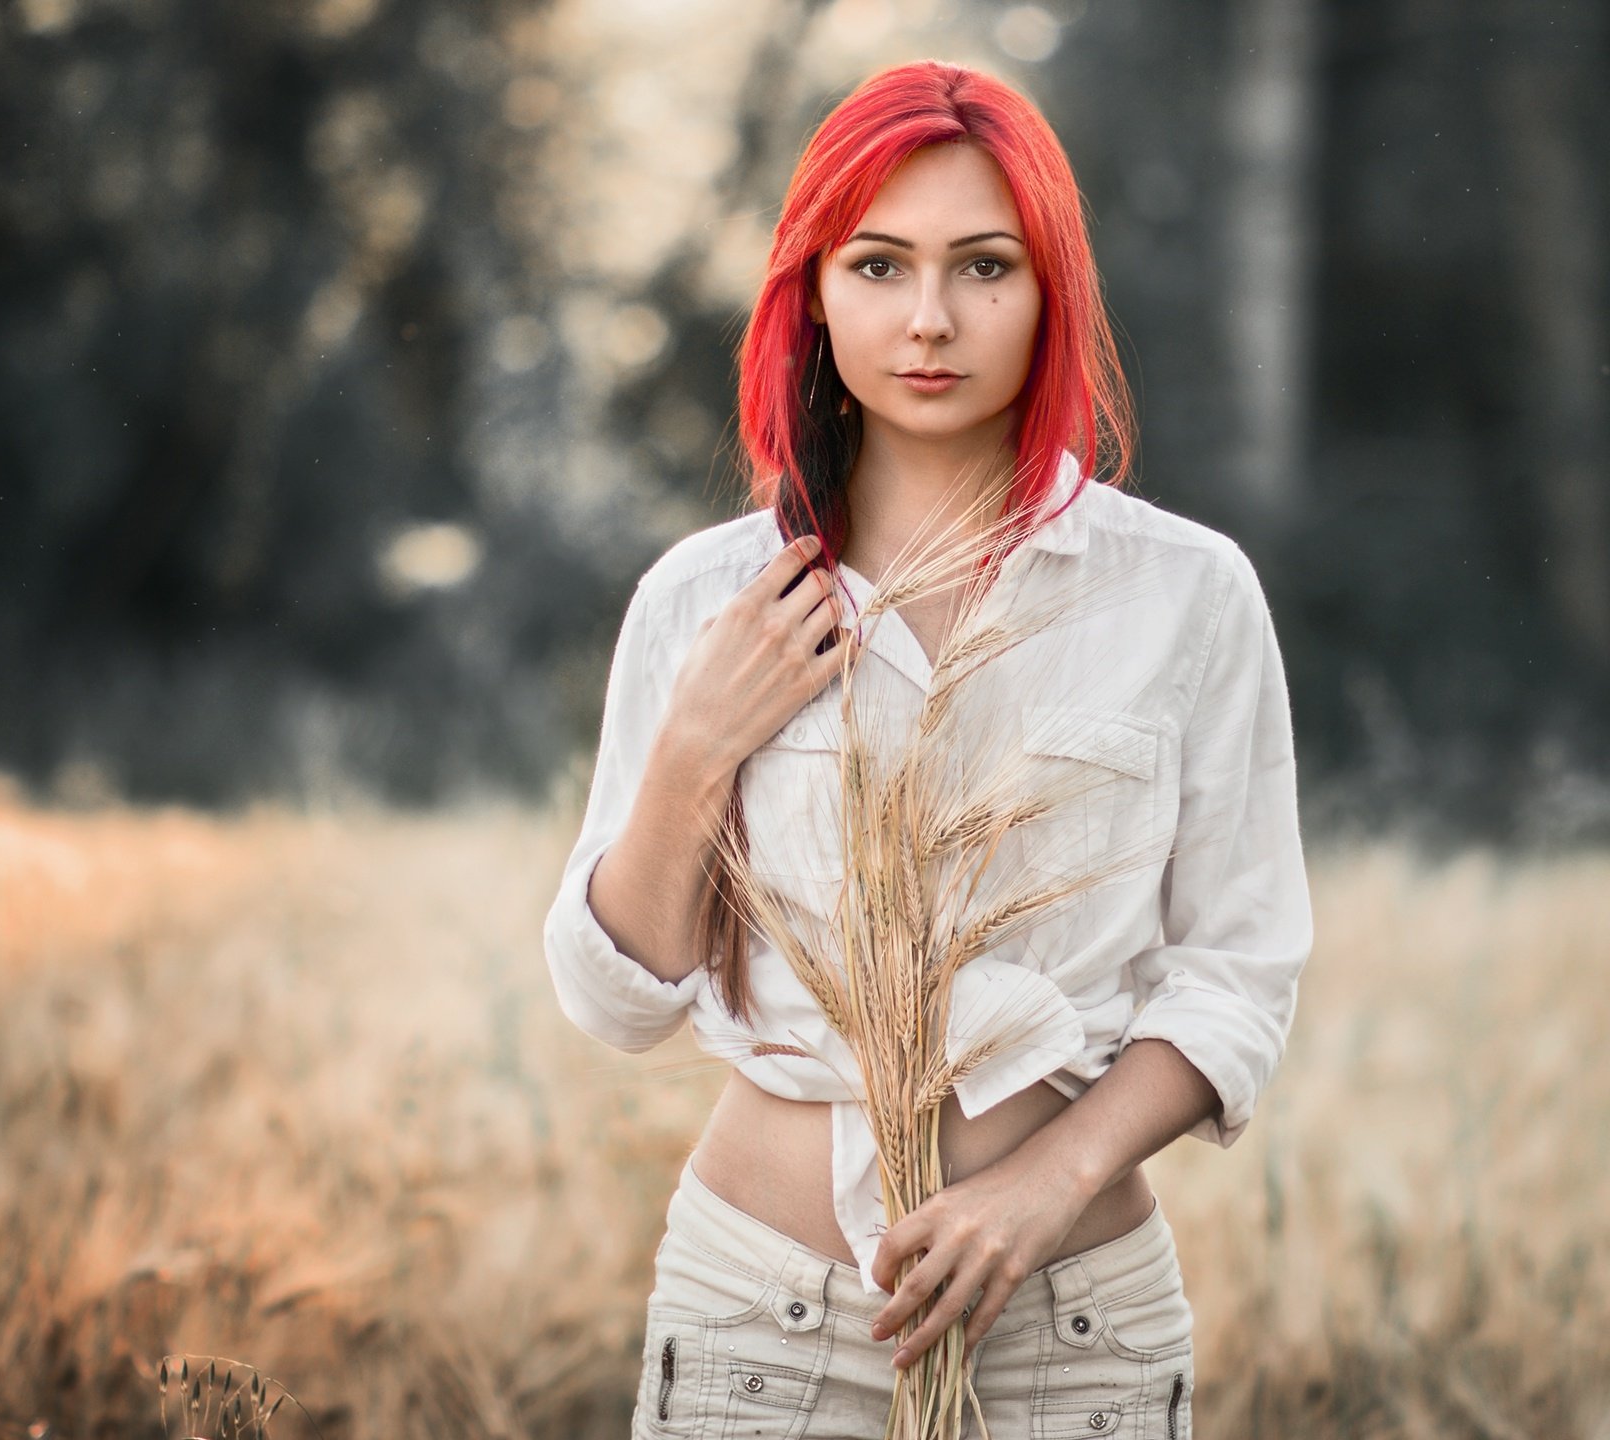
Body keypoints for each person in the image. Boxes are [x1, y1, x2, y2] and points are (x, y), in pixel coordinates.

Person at [542, 59, 1313, 1439]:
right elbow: (619, 1003)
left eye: (986, 266)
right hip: (756, 1326)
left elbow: (1238, 974)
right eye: (881, 266)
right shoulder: (705, 606)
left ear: (1051, 289)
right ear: (814, 293)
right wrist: (695, 751)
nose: (932, 319)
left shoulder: (1185, 597)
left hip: (1072, 1334)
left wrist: (1041, 1190)